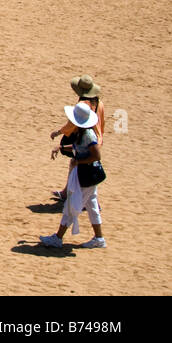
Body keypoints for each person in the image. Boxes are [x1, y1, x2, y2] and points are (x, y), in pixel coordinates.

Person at [41, 101, 106, 249]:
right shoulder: (83, 132)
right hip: (90, 175)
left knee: (72, 206)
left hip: (86, 175)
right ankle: (99, 238)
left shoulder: (88, 134)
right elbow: (79, 147)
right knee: (92, 205)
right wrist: (62, 147)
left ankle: (58, 238)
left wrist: (79, 161)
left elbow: (96, 155)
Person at [49, 75, 105, 201]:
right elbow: (102, 122)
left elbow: (73, 124)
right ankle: (68, 192)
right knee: (80, 164)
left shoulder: (82, 105)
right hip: (96, 138)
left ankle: (71, 194)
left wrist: (58, 132)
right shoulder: (99, 103)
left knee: (77, 163)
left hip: (85, 138)